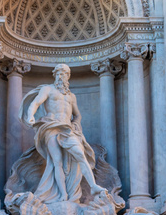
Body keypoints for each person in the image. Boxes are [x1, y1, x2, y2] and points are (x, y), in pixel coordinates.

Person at [22, 64, 107, 203]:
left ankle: (93, 186)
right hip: (51, 127)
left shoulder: (71, 96)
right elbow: (36, 103)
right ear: (55, 75)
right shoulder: (48, 89)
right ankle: (63, 195)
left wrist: (76, 124)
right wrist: (30, 115)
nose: (61, 76)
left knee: (80, 155)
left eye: (65, 73)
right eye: (59, 73)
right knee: (57, 162)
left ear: (68, 76)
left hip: (67, 129)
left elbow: (77, 115)